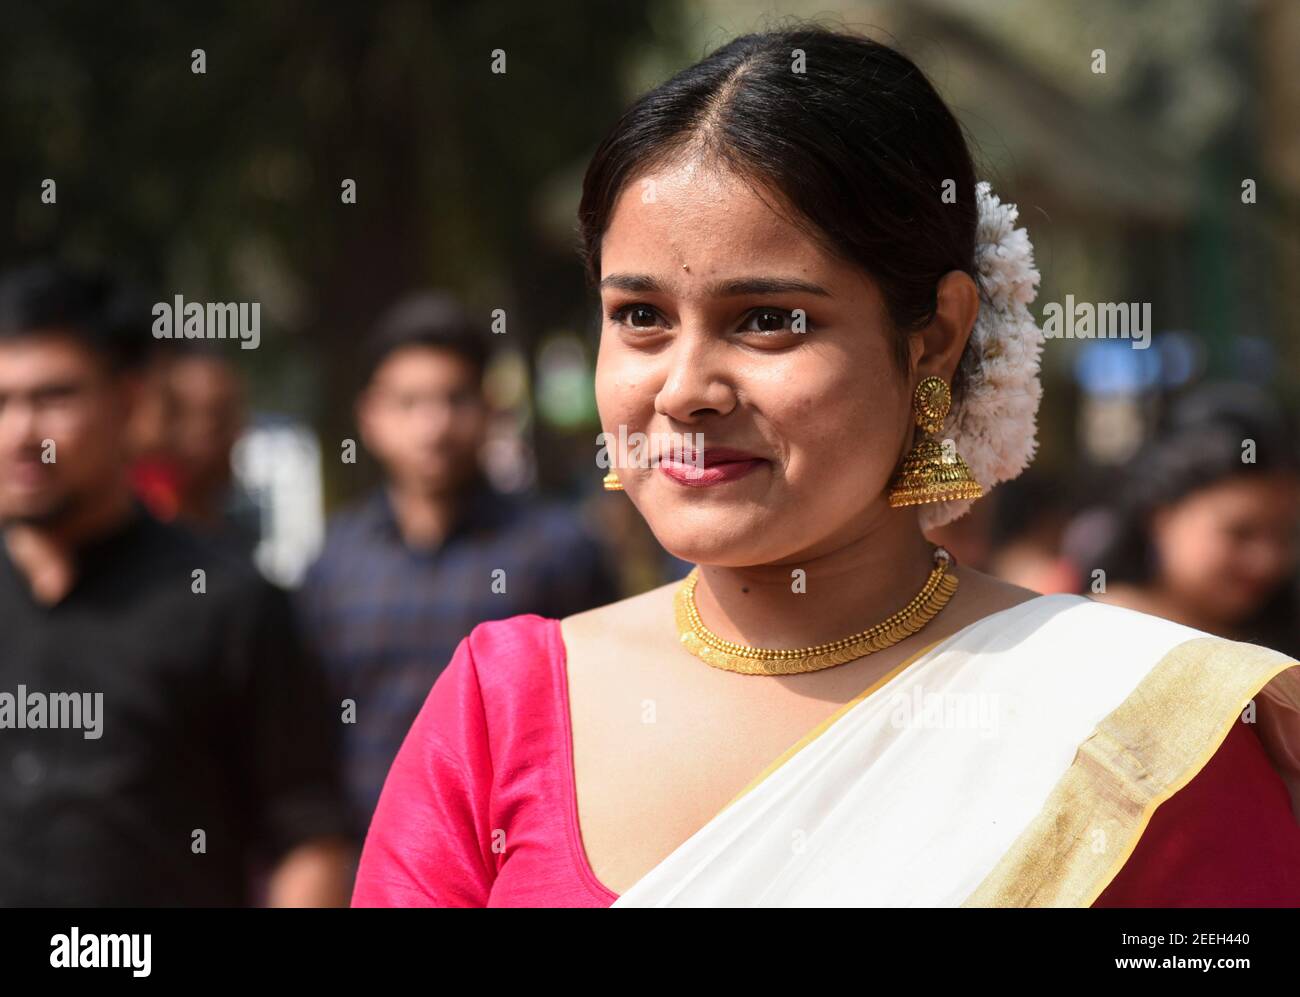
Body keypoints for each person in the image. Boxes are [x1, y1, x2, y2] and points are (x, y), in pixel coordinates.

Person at [351, 28, 1300, 908]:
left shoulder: (1134, 728)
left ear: (934, 338)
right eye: (640, 317)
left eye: (768, 318)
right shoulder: (502, 707)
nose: (684, 390)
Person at [0, 261, 352, 906]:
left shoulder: (227, 603)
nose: (23, 435)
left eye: (54, 397)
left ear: (128, 403)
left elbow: (311, 843)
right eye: (1, 402)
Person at [297, 291, 620, 853]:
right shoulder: (336, 563)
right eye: (409, 402)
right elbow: (308, 733)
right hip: (371, 860)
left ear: (489, 410)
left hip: (518, 855)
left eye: (455, 399)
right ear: (370, 417)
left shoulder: (555, 550)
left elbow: (601, 714)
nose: (435, 425)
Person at [1079, 384, 1300, 657]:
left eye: (1285, 536)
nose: (1267, 561)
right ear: (1161, 517)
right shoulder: (1095, 633)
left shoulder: (1272, 652)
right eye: (1240, 533)